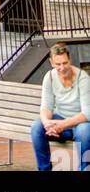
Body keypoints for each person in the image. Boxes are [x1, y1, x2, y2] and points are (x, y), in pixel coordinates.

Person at [30, 43, 90, 171]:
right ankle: (44, 169)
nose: (62, 67)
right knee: (36, 127)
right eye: (58, 64)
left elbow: (87, 113)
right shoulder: (50, 77)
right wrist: (47, 123)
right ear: (51, 62)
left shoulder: (83, 78)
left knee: (84, 131)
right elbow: (46, 107)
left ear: (70, 60)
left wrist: (62, 125)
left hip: (80, 123)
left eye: (65, 63)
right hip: (61, 124)